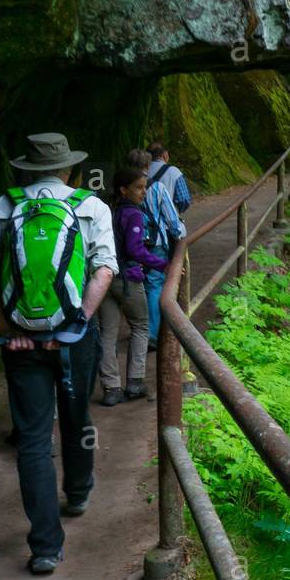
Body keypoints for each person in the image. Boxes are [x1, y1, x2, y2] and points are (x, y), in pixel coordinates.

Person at [0, 132, 116, 575]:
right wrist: (78, 323)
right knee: (76, 417)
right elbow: (104, 268)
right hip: (73, 338)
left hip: (20, 341)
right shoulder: (91, 207)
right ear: (69, 169)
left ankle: (46, 547)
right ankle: (80, 487)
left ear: (26, 169)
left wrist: (7, 328)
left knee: (32, 440)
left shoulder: (0, 207)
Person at [96, 167, 168, 406]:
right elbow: (135, 250)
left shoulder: (111, 211)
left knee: (108, 333)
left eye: (145, 187)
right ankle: (135, 382)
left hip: (105, 276)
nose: (144, 192)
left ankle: (111, 388)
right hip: (127, 278)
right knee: (140, 325)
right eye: (139, 187)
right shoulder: (134, 214)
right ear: (124, 190)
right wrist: (164, 264)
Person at [128, 148, 186, 346]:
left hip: (132, 244)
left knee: (139, 285)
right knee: (154, 285)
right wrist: (179, 236)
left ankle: (139, 328)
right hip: (155, 244)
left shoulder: (124, 189)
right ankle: (151, 333)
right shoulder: (157, 188)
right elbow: (172, 219)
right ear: (147, 166)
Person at [147, 141, 191, 214]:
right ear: (164, 155)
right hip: (168, 219)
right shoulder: (174, 171)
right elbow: (184, 200)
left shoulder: (142, 171)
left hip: (145, 219)